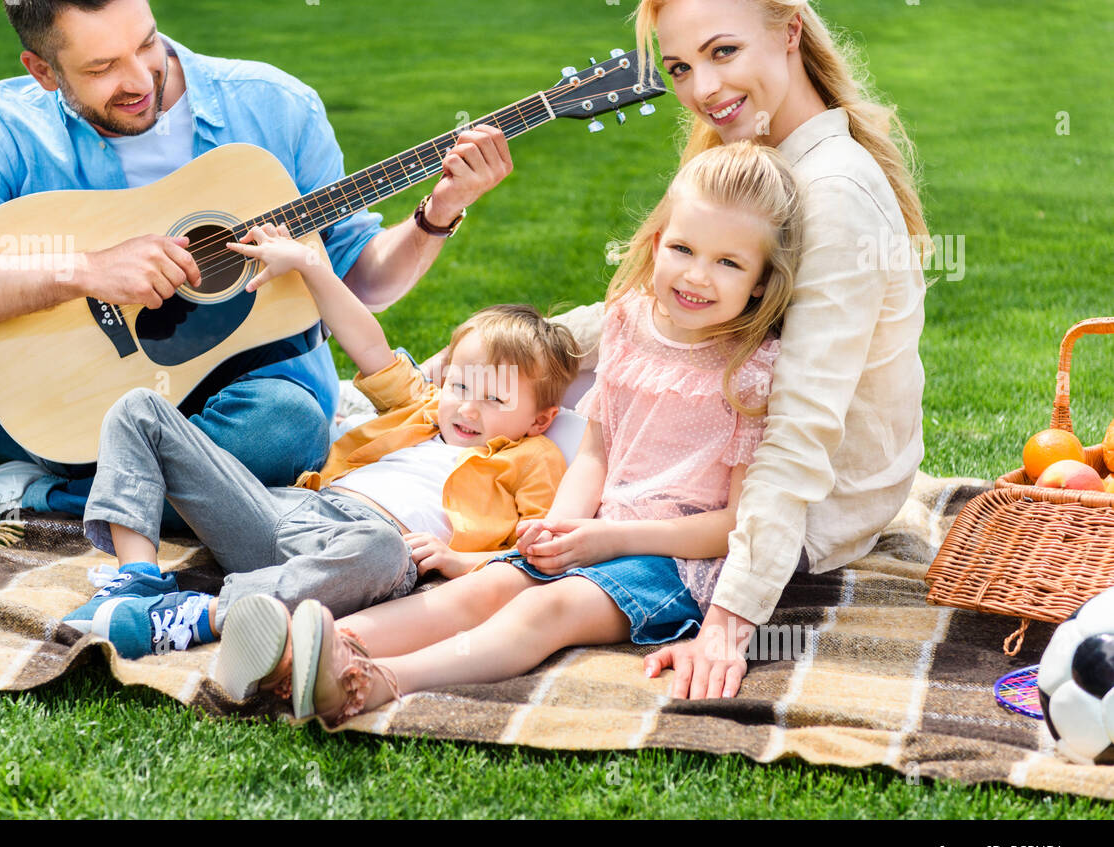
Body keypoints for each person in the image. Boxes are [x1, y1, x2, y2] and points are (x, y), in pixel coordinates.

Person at [0, 0, 513, 601]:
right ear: (43, 71)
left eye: (147, 42)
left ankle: (32, 495)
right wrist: (85, 270)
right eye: (102, 66)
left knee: (291, 422)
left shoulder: (273, 106)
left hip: (219, 416)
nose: (141, 77)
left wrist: (435, 214)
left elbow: (360, 282)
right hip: (47, 398)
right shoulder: (10, 125)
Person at [426, 0, 928, 702]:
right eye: (682, 66)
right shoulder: (751, 151)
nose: (705, 89)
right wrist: (482, 361)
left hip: (803, 503)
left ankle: (456, 559)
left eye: (724, 52)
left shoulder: (835, 196)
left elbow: (800, 429)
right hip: (715, 446)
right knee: (501, 392)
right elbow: (647, 322)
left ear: (790, 32)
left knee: (527, 426)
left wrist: (729, 618)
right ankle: (468, 552)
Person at [222, 139, 805, 725]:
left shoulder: (750, 372)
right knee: (474, 593)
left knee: (544, 610)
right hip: (595, 531)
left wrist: (606, 541)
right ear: (657, 244)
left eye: (729, 262)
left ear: (760, 282)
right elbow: (596, 457)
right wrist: (563, 526)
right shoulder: (628, 326)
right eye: (683, 248)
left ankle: (376, 682)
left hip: (668, 561)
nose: (697, 276)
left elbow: (734, 525)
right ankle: (309, 652)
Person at [63, 220, 581, 701]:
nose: (468, 406)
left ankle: (197, 617)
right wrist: (311, 265)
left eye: (495, 399)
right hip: (289, 511)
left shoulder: (536, 457)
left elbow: (535, 557)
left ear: (539, 419)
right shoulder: (421, 406)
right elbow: (367, 341)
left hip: (370, 555)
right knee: (139, 409)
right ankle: (137, 582)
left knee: (382, 546)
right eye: (461, 385)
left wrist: (458, 561)